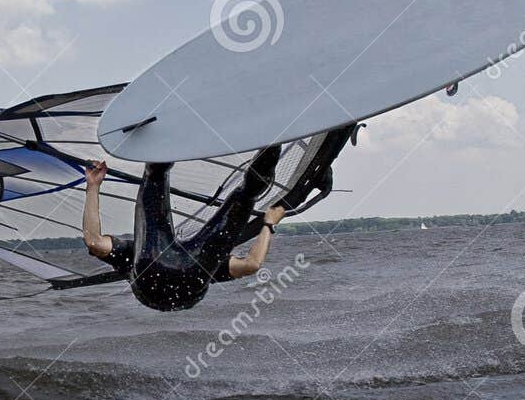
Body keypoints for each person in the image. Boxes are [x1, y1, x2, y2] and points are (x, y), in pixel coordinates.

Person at [80, 124, 353, 310]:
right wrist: (94, 185)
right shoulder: (133, 258)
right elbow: (93, 242)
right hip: (157, 274)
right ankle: (164, 136)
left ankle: (275, 135)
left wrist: (269, 222)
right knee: (156, 176)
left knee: (245, 197)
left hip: (188, 281)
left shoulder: (139, 258)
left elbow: (252, 265)